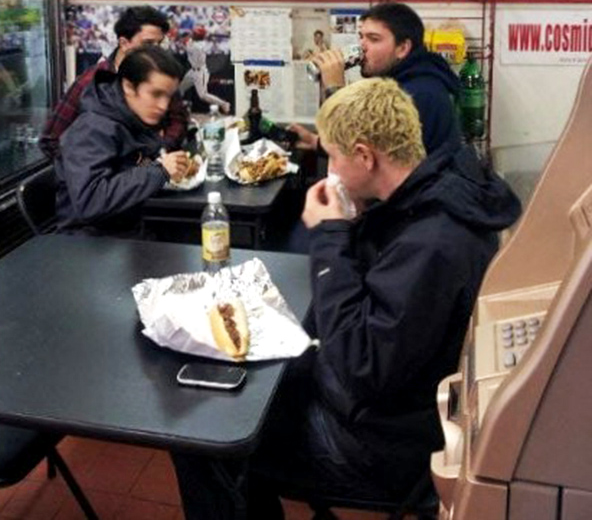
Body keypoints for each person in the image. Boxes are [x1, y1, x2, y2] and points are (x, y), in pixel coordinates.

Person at [171, 78, 521, 519]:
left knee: (203, 438)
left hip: (382, 445)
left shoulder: (434, 243)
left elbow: (362, 366)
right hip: (393, 404)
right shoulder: (428, 195)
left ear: (364, 155)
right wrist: (354, 223)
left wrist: (330, 236)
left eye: (334, 156)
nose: (331, 170)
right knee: (252, 382)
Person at [293, 2, 461, 155]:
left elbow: (363, 160)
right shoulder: (394, 81)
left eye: (373, 39)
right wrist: (317, 143)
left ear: (402, 48)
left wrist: (335, 90)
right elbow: (363, 139)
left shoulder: (419, 93)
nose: (362, 46)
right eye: (361, 37)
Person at [55, 46, 190, 235]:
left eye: (168, 96)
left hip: (128, 227)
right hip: (90, 242)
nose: (164, 106)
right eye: (156, 94)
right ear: (128, 86)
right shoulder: (92, 129)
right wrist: (160, 171)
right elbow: (90, 201)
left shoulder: (131, 115)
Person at [39, 5, 187, 160]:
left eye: (160, 44)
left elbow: (178, 120)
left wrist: (160, 149)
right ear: (124, 43)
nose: (156, 51)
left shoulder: (161, 76)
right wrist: (85, 168)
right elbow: (51, 140)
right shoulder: (91, 81)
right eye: (148, 44)